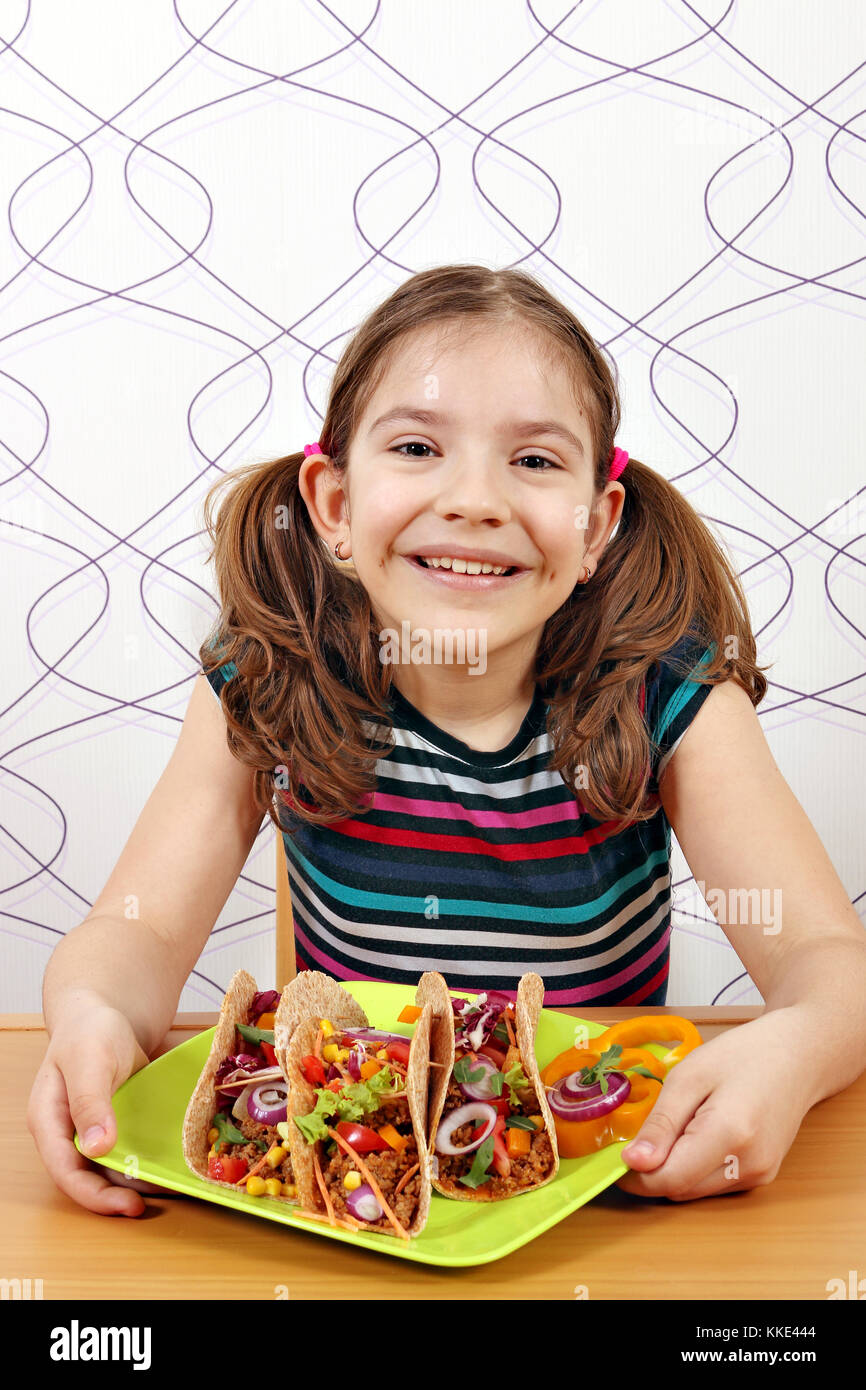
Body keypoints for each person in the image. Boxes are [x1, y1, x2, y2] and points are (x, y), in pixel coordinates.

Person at [28, 264, 866, 1216]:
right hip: (350, 1194)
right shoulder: (271, 680)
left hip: (590, 1195)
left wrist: (795, 1051)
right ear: (336, 506)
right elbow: (134, 930)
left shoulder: (665, 697)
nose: (475, 499)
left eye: (537, 462)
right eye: (419, 447)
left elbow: (831, 966)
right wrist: (91, 1013)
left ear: (596, 524)